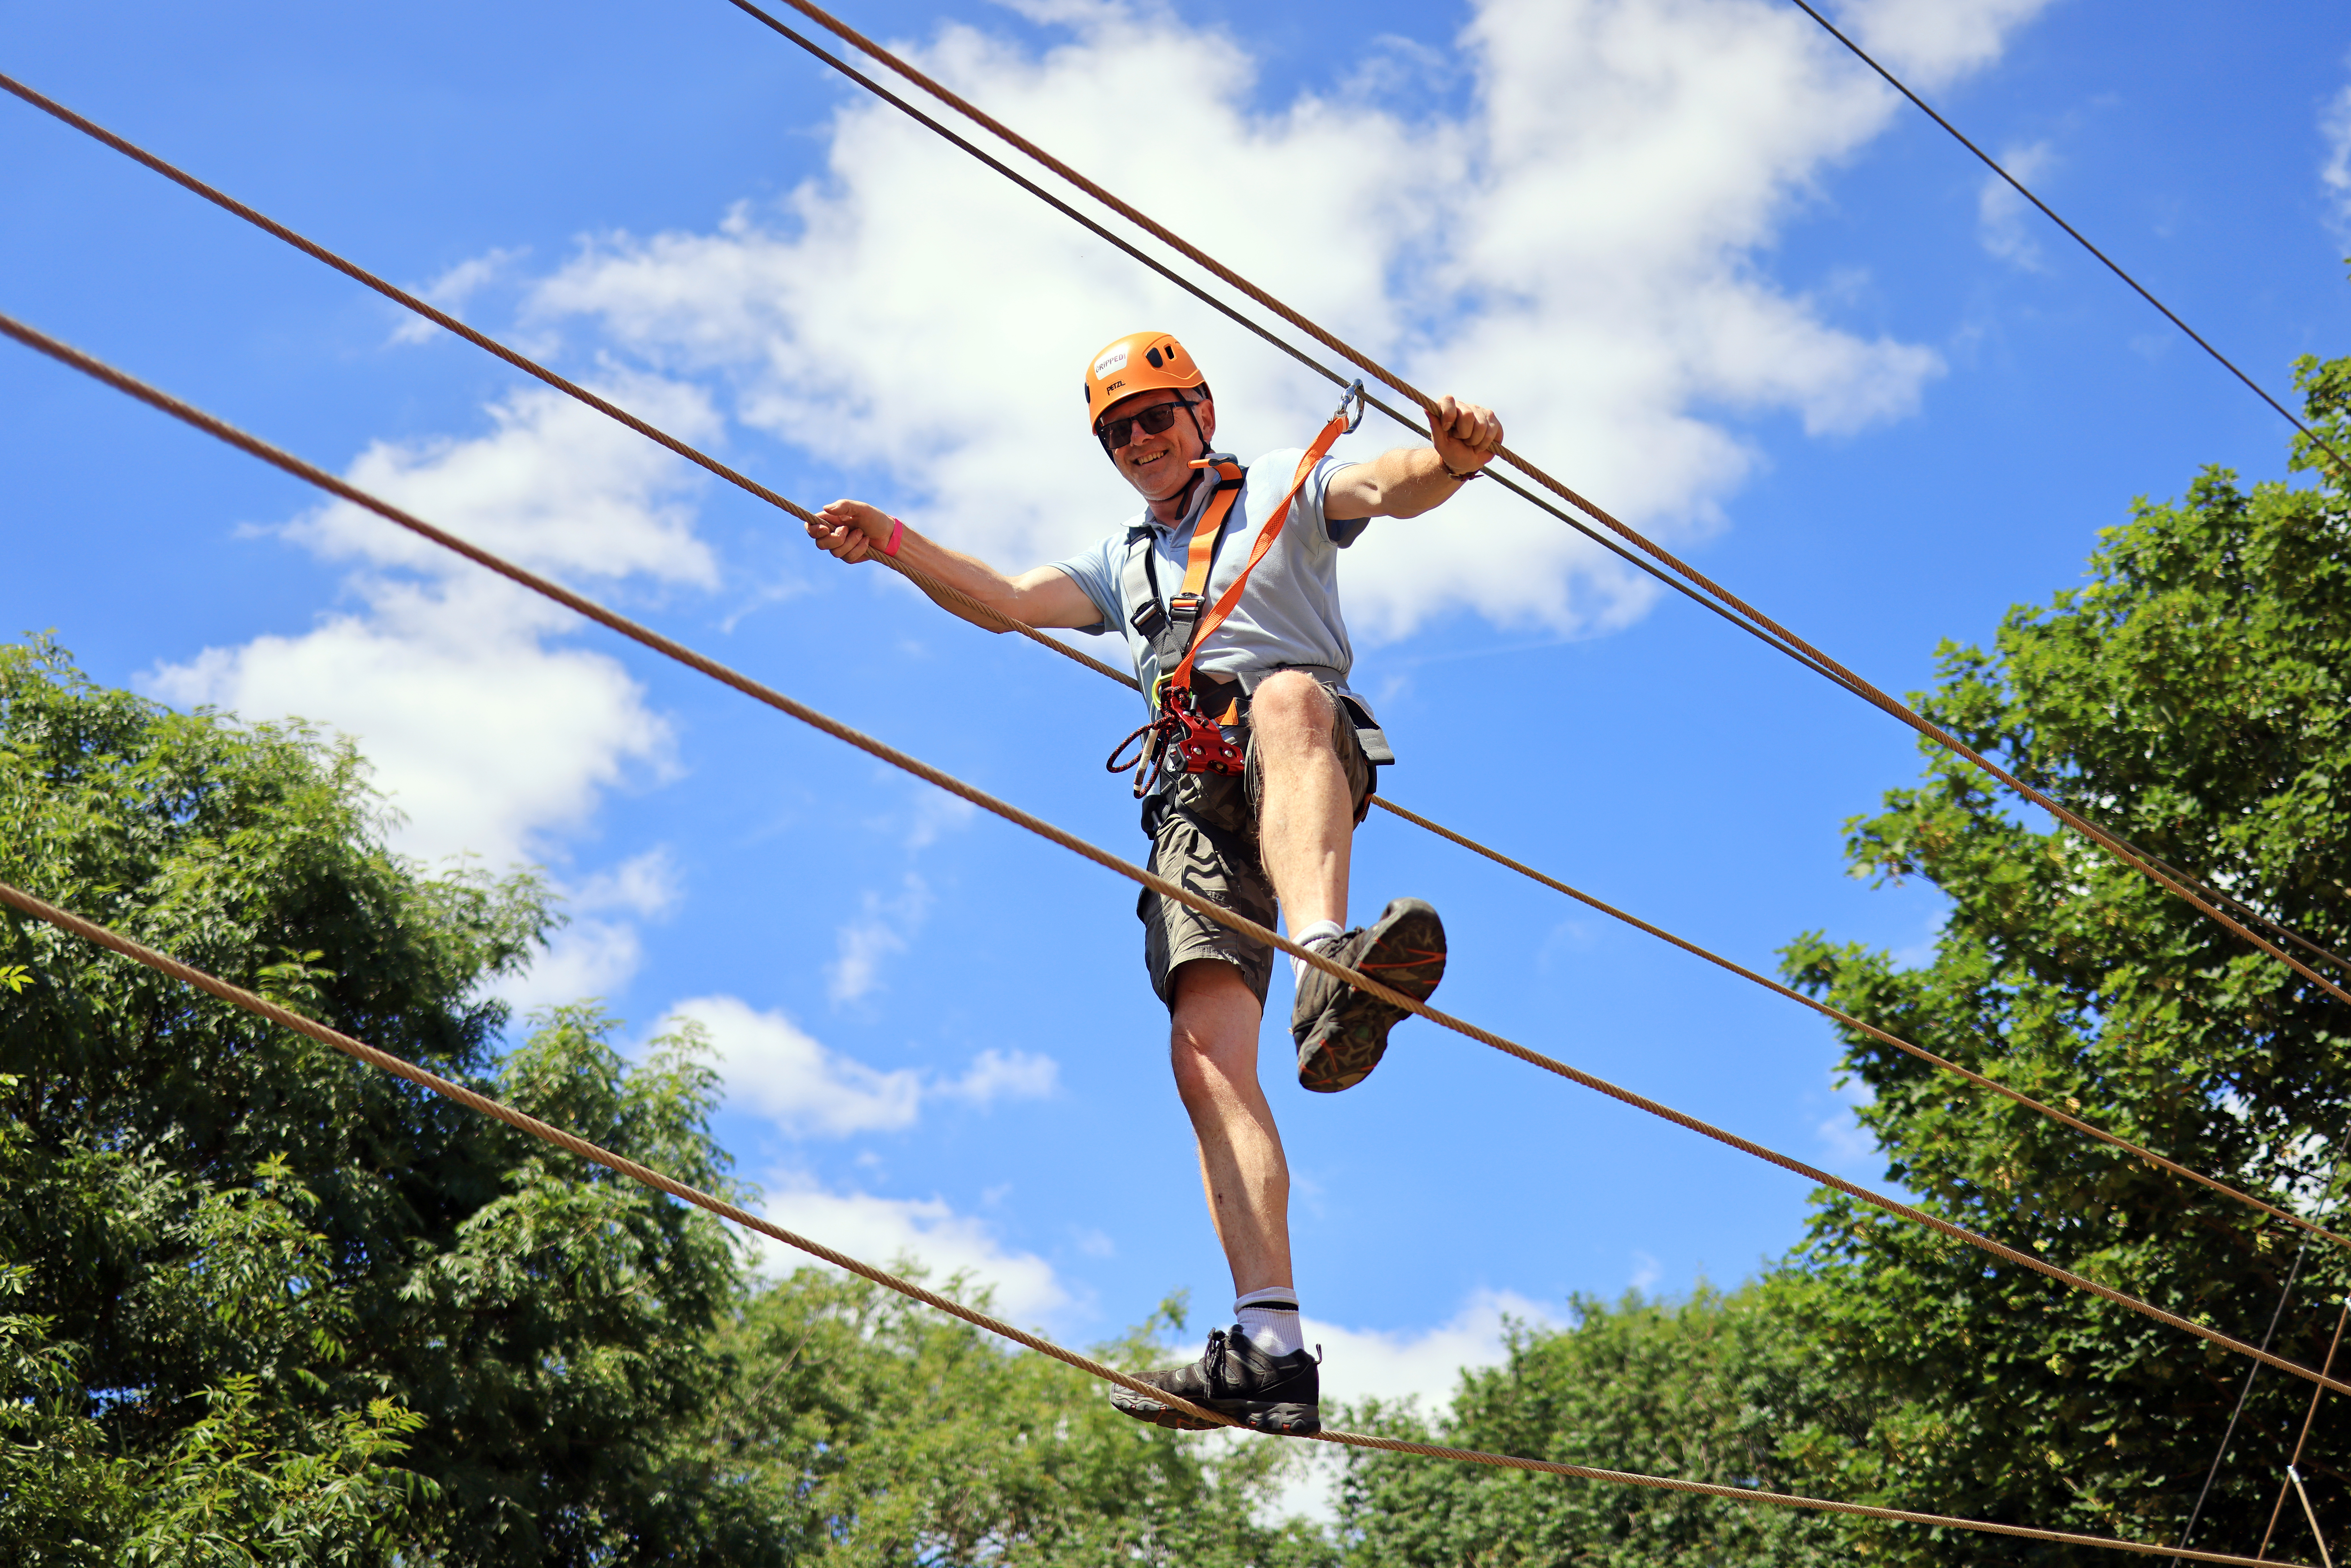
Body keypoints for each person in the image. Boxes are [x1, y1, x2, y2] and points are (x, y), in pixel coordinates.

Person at [806, 330, 1503, 1435]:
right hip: (1191, 801)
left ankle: (1325, 963)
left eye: (1155, 417)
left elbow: (1387, 483)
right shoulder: (1122, 560)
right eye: (1117, 432)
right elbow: (1005, 599)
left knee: (1286, 695)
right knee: (1205, 1060)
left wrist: (1453, 460)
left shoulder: (1285, 485)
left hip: (1294, 752)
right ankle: (1271, 1350)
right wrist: (892, 542)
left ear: (1202, 414)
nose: (1139, 441)